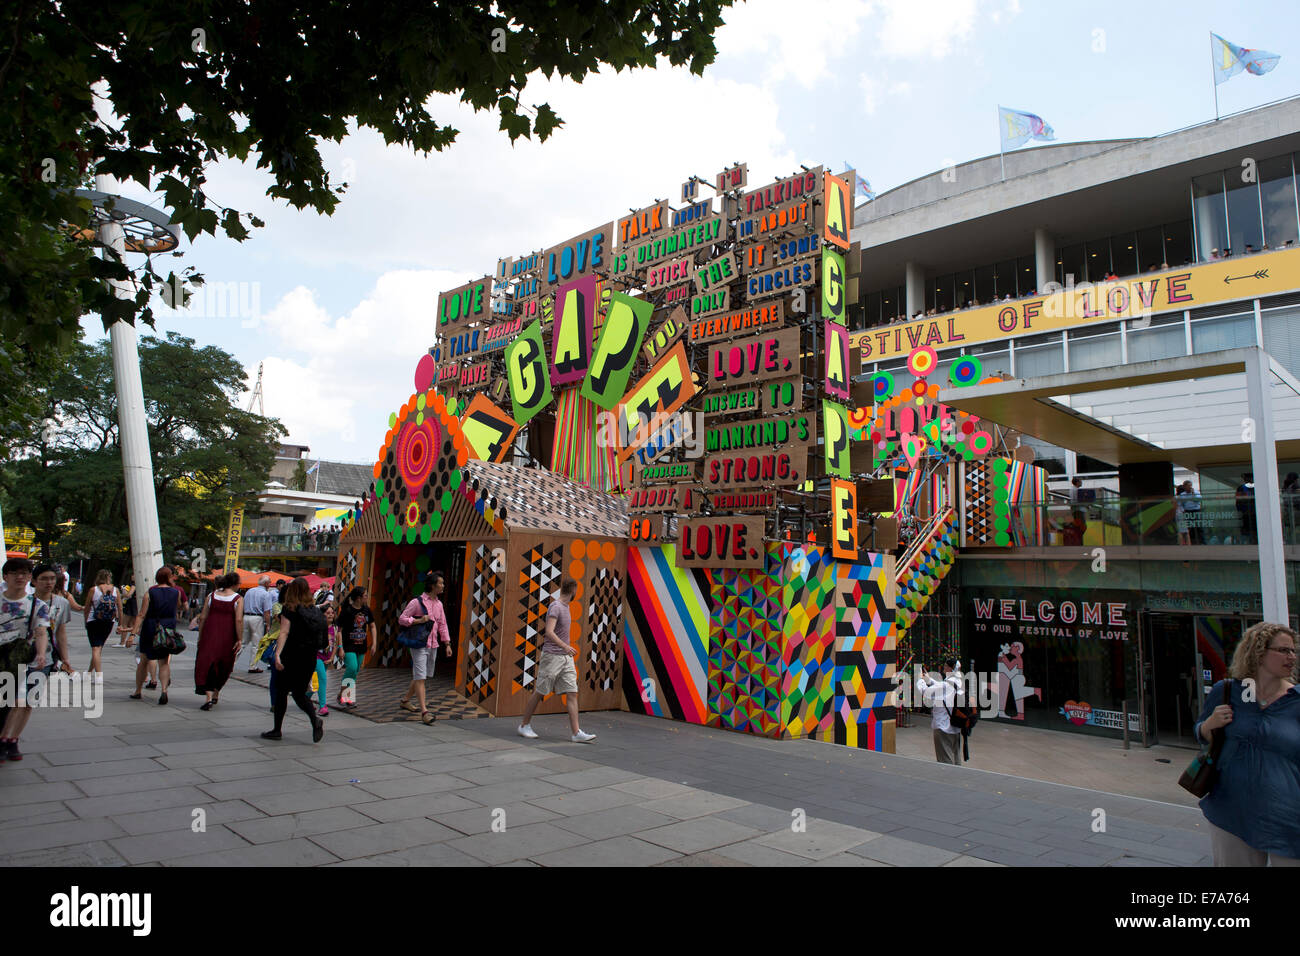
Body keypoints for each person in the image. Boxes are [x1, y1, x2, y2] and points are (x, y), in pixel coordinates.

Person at [1194, 622, 1300, 866]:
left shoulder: (1296, 700)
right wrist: (1209, 724)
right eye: (1283, 650)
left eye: (1293, 651)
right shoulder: (1227, 691)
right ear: (1259, 652)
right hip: (1232, 811)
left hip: (1289, 816)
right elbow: (1200, 732)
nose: (1291, 657)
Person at [517, 576, 596, 743]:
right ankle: (524, 725)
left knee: (572, 692)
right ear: (574, 590)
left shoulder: (565, 607)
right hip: (552, 657)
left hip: (565, 658)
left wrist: (565, 651)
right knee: (540, 691)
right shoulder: (556, 607)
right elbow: (549, 632)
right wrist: (565, 647)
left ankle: (576, 733)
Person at [0, 558, 50, 761]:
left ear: (30, 577)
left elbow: (41, 632)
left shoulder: (37, 605)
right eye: (14, 573)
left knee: (15, 702)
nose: (20, 577)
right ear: (5, 576)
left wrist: (40, 653)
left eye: (24, 573)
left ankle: (8, 740)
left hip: (18, 660)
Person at [264, 577, 325, 742]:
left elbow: (283, 632)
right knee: (299, 693)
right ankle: (314, 719)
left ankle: (277, 729)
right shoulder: (315, 610)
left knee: (281, 691)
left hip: (291, 655)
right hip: (309, 656)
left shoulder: (289, 608)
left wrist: (277, 654)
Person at [397, 571, 454, 724]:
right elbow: (402, 619)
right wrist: (418, 621)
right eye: (441, 583)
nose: (443, 586)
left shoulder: (439, 604)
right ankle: (425, 712)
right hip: (419, 644)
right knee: (421, 678)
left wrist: (447, 643)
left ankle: (405, 700)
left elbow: (442, 624)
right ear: (432, 585)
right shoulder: (417, 602)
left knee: (421, 675)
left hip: (433, 644)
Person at [129, 567, 184, 705]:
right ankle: (164, 690)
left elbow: (141, 614)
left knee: (144, 661)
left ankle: (138, 690)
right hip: (167, 629)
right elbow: (178, 607)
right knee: (164, 662)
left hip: (151, 627)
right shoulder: (176, 593)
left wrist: (132, 634)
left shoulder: (150, 593)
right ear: (168, 577)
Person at [191, 571, 243, 710]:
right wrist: (239, 638)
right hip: (228, 637)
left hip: (209, 634)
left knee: (207, 663)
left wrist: (201, 635)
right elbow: (238, 620)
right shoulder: (237, 598)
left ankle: (208, 696)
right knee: (224, 665)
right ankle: (216, 693)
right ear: (235, 584)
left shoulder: (212, 595)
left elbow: (202, 617)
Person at [916, 660, 963, 765]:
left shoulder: (946, 685)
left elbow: (926, 692)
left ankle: (947, 779)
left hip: (943, 727)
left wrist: (920, 680)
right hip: (955, 726)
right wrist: (929, 680)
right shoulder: (957, 681)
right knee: (955, 758)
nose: (943, 667)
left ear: (950, 669)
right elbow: (942, 687)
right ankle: (958, 778)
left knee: (945, 760)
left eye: (945, 665)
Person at [33, 565, 75, 680]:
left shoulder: (62, 603)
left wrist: (65, 658)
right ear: (34, 581)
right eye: (44, 579)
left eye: (52, 578)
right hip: (22, 654)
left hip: (46, 657)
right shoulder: (26, 601)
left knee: (34, 695)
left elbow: (60, 633)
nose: (49, 582)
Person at [336, 586, 374, 708]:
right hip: (348, 645)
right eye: (365, 595)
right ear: (358, 598)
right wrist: (340, 647)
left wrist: (374, 643)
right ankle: (345, 696)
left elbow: (372, 626)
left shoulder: (367, 610)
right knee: (352, 668)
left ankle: (345, 696)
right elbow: (339, 630)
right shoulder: (347, 611)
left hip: (361, 645)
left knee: (355, 672)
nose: (367, 597)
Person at [83, 569, 123, 681]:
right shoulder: (115, 590)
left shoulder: (93, 590)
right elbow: (119, 608)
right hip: (109, 622)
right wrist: (120, 624)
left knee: (95, 648)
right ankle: (89, 672)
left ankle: (99, 676)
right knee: (98, 647)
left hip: (94, 621)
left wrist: (85, 620)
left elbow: (86, 608)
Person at [241, 575, 274, 673]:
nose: (270, 584)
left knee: (243, 642)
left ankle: (231, 663)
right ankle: (253, 666)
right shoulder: (266, 594)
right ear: (266, 583)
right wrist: (268, 625)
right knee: (256, 644)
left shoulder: (249, 591)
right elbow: (267, 611)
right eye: (269, 582)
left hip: (246, 616)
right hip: (257, 618)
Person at [314, 603, 340, 717]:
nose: (330, 615)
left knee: (316, 681)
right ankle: (323, 706)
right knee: (323, 678)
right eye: (327, 613)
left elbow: (335, 644)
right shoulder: (317, 627)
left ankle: (305, 697)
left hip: (327, 657)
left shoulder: (335, 628)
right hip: (316, 656)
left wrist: (331, 657)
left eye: (332, 613)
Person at [1176, 480, 1203, 545]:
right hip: (1187, 511)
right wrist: (1183, 511)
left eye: (1191, 486)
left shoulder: (1196, 492)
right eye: (1188, 486)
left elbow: (1198, 500)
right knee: (1190, 527)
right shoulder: (1183, 495)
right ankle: (1192, 542)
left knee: (1199, 527)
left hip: (1196, 511)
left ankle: (1202, 542)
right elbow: (1180, 504)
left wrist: (1193, 494)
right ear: (1185, 487)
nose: (1190, 487)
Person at [1235, 473, 1257, 544]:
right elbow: (1238, 501)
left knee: (1252, 528)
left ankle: (1253, 540)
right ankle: (1251, 541)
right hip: (1247, 513)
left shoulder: (1242, 488)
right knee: (1249, 529)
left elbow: (1238, 502)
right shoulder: (1242, 488)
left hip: (1250, 512)